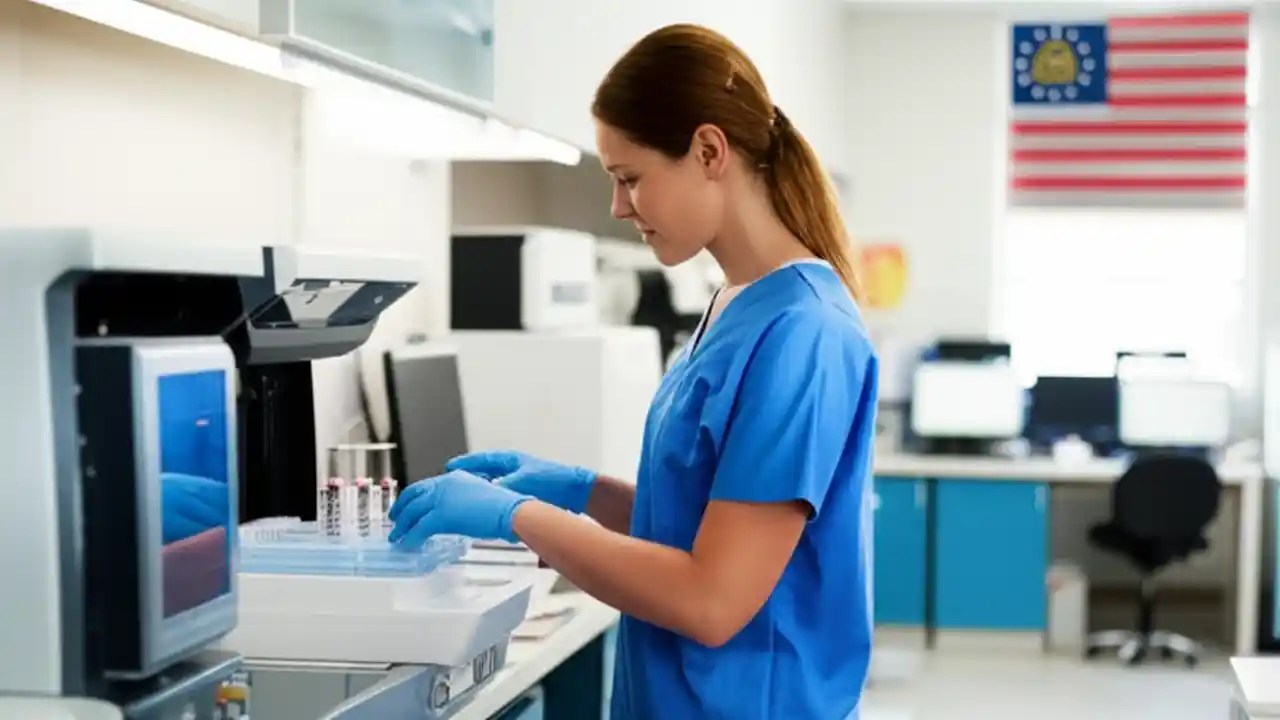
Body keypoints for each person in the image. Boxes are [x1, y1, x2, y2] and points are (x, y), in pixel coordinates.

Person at [389, 23, 879, 719]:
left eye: (630, 179)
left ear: (709, 151)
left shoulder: (805, 333)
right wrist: (582, 492)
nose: (619, 207)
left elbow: (712, 600)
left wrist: (519, 517)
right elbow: (701, 518)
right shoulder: (732, 306)